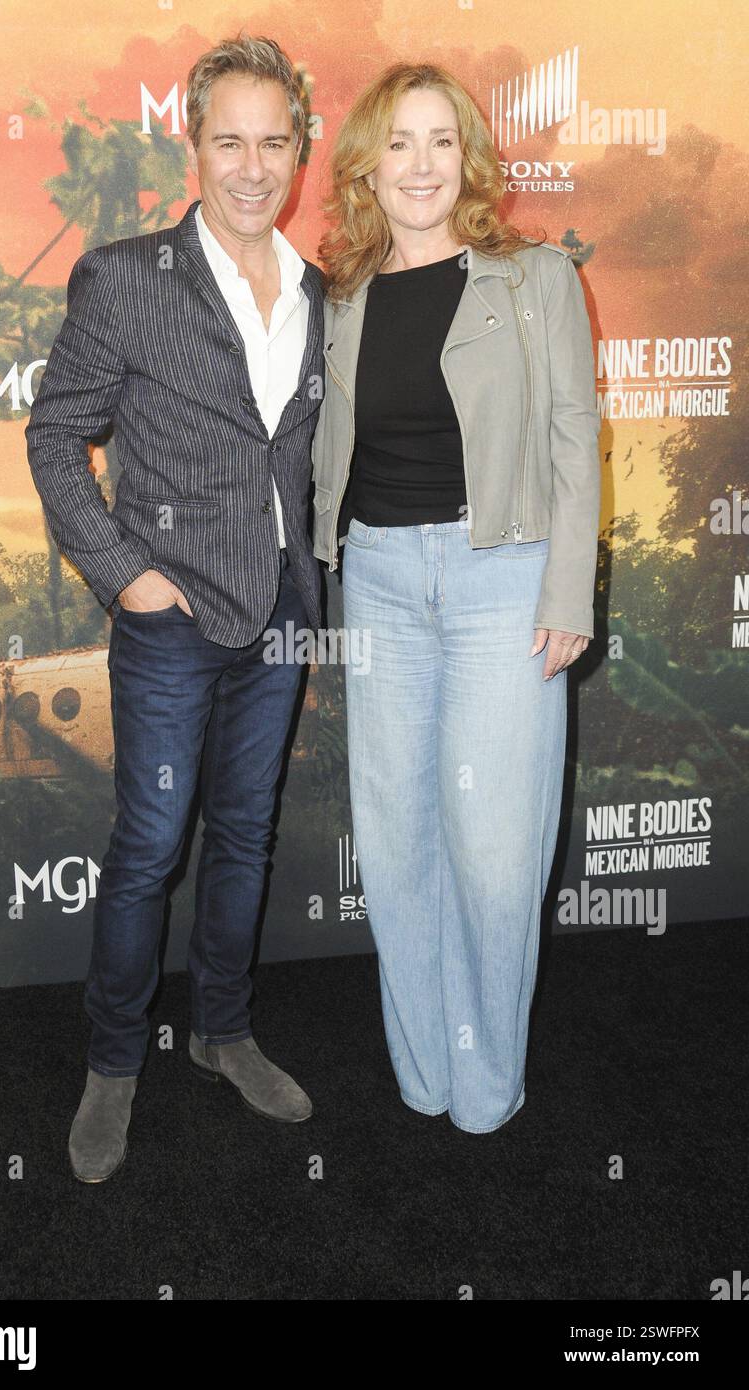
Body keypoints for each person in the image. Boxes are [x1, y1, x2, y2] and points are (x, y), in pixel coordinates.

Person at [26, 34, 325, 1182]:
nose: (252, 167)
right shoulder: (123, 277)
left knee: (245, 835)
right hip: (166, 623)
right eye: (228, 140)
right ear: (192, 142)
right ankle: (112, 1063)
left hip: (277, 619)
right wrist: (126, 578)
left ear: (300, 148)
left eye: (274, 141)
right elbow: (57, 439)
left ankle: (224, 1030)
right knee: (150, 845)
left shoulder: (317, 293)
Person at [311, 62, 601, 1133]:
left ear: (467, 160)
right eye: (399, 142)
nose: (421, 164)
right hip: (380, 581)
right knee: (396, 842)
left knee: (491, 849)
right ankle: (423, 1066)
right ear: (368, 169)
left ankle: (485, 1083)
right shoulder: (343, 295)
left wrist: (570, 586)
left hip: (503, 580)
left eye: (441, 141)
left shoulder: (535, 278)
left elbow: (575, 433)